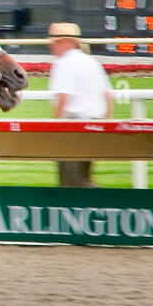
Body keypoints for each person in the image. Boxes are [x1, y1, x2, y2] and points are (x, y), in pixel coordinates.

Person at [47, 21, 113, 187]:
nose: (52, 47)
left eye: (55, 42)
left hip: (72, 130)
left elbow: (63, 98)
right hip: (94, 128)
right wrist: (106, 125)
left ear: (66, 42)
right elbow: (108, 96)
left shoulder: (63, 64)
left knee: (71, 184)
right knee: (83, 179)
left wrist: (53, 129)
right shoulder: (92, 62)